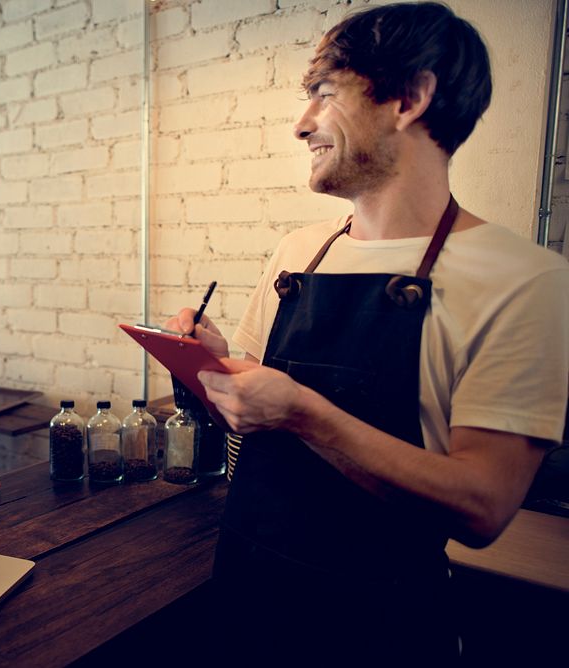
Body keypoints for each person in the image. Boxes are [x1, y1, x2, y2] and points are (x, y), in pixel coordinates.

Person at [168, 2, 569, 663]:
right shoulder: (298, 252)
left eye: (323, 94)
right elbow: (251, 411)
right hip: (246, 594)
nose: (301, 126)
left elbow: (483, 507)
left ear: (409, 98)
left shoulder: (524, 281)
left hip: (378, 627)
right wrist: (211, 365)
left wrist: (304, 412)